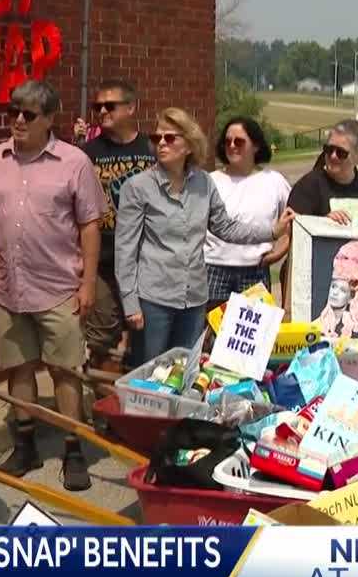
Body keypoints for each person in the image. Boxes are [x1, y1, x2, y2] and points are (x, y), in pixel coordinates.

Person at [0, 80, 106, 492]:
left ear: (49, 119)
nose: (17, 120)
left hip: (58, 287)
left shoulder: (74, 162)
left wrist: (87, 283)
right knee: (19, 367)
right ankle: (26, 444)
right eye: (12, 111)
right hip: (9, 287)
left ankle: (73, 449)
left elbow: (90, 224)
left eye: (28, 114)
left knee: (65, 373)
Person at [114, 108, 293, 366]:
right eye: (156, 138)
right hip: (154, 300)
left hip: (195, 299)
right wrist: (130, 304)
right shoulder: (138, 187)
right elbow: (125, 251)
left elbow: (226, 228)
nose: (161, 143)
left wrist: (272, 232)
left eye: (170, 138)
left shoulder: (204, 183)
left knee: (186, 371)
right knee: (151, 373)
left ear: (188, 144)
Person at [79, 80, 156, 371]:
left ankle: (140, 406)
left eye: (109, 106)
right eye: (97, 106)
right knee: (101, 340)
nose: (102, 111)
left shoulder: (152, 149)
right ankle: (105, 413)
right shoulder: (87, 154)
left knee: (145, 337)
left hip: (146, 264)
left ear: (131, 107)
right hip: (102, 263)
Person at [206, 117, 291, 309]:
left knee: (254, 337)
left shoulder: (274, 181)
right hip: (212, 271)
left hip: (255, 272)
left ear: (256, 145)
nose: (232, 146)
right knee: (209, 336)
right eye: (227, 142)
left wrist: (278, 253)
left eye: (239, 141)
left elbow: (293, 224)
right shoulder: (210, 181)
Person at [284, 119, 358, 309]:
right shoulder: (309, 186)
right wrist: (321, 224)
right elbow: (290, 232)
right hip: (315, 288)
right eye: (328, 149)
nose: (332, 156)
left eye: (341, 152)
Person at [318, 243, 358, 339]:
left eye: (343, 290)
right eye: (334, 287)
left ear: (351, 297)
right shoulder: (319, 323)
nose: (335, 293)